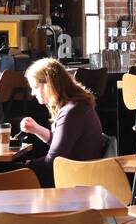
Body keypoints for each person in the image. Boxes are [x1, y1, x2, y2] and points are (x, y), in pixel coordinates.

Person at [18, 58, 104, 187]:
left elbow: (53, 162)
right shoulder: (76, 106)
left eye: (35, 87)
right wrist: (36, 129)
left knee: (6, 175)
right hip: (79, 172)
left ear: (49, 84)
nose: (32, 93)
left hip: (74, 179)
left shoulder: (72, 111)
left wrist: (25, 165)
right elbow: (64, 144)